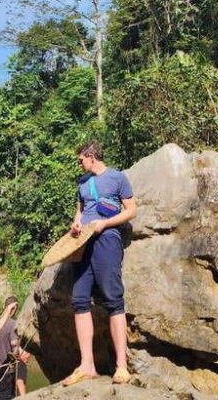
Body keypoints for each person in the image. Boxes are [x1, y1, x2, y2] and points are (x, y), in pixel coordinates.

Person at [63, 140, 137, 386]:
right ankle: (87, 365)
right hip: (81, 243)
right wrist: (76, 224)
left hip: (107, 238)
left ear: (91, 156)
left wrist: (105, 223)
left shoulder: (117, 178)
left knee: (113, 298)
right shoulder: (82, 182)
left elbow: (131, 210)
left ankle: (121, 367)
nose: (79, 163)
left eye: (81, 159)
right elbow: (80, 211)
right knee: (80, 299)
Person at [0, 295, 31, 399]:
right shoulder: (13, 325)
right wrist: (19, 355)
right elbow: (14, 346)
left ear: (3, 306)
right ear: (15, 309)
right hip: (4, 371)